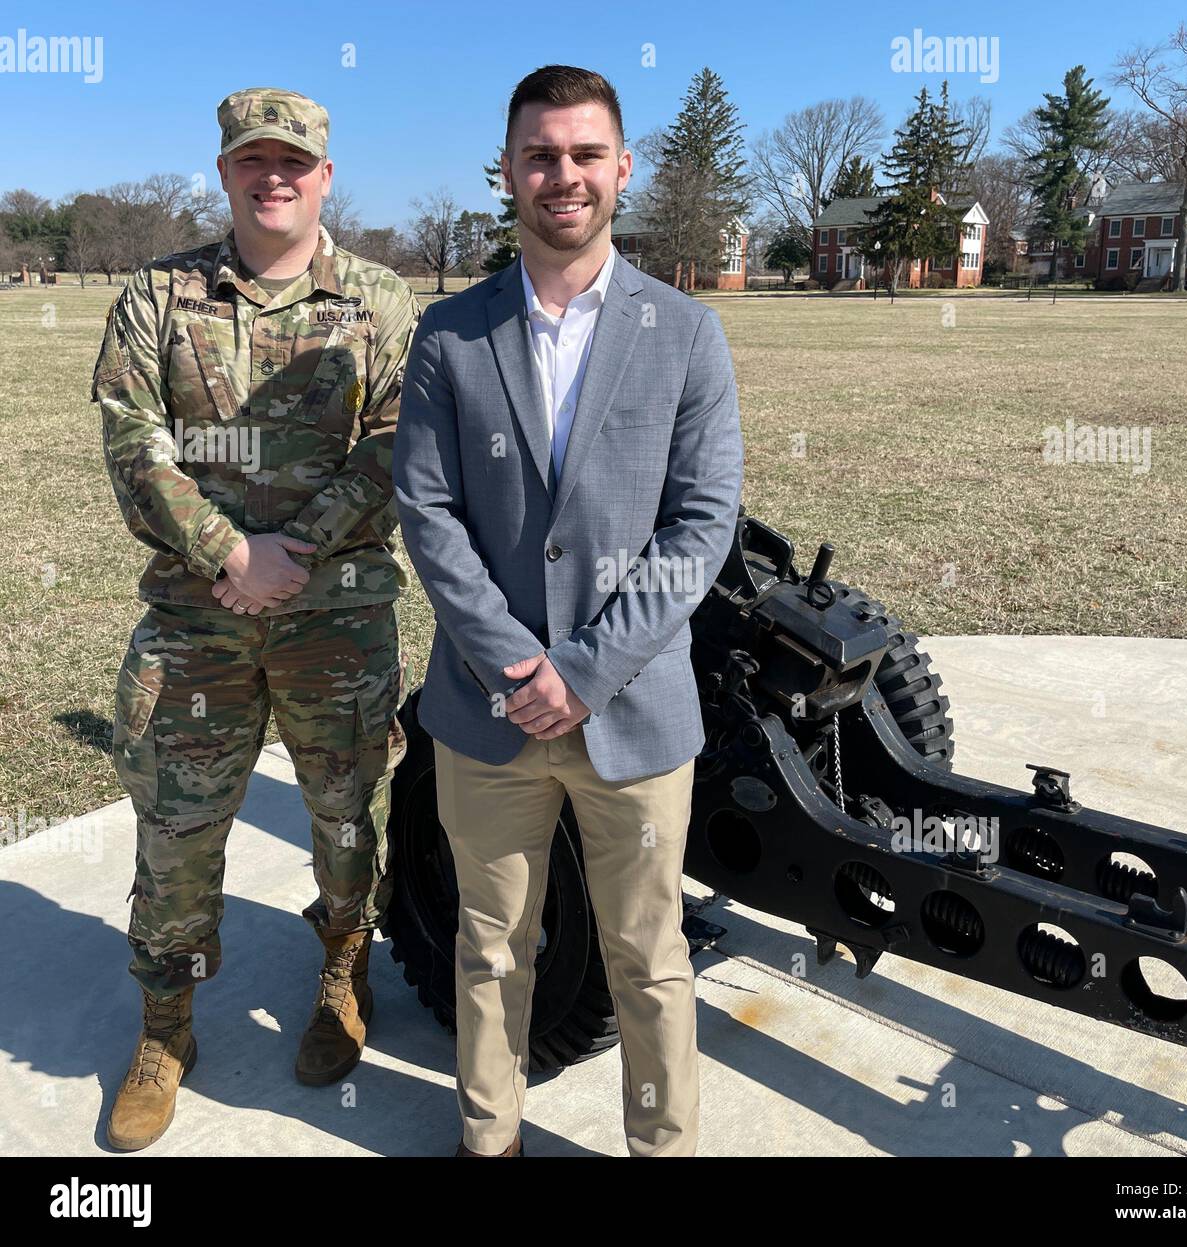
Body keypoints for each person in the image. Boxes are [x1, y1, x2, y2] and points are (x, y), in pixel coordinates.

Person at [394, 64, 744, 1157]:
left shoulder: (686, 334)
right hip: (484, 715)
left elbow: (700, 529)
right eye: (540, 155)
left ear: (622, 169)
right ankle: (488, 1139)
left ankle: (661, 1146)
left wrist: (583, 670)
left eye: (586, 154)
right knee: (492, 947)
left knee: (647, 955)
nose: (564, 176)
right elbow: (428, 511)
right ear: (506, 171)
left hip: (633, 718)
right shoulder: (449, 336)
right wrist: (514, 664)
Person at [94, 87, 418, 1150]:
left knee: (341, 816)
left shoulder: (379, 299)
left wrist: (298, 551)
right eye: (252, 160)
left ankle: (340, 968)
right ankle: (166, 1025)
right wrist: (233, 553)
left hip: (339, 621)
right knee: (176, 831)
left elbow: (395, 446)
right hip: (199, 616)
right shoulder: (158, 294)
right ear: (224, 171)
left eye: (293, 161)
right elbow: (134, 443)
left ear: (325, 175)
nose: (271, 176)